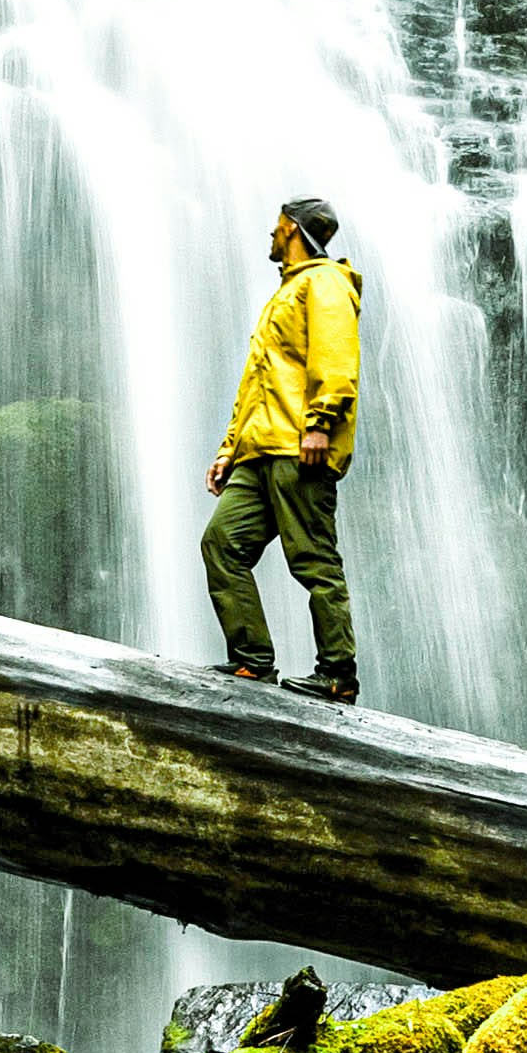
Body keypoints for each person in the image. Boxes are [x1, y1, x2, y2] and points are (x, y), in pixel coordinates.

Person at [202, 194, 365, 700]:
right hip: (258, 452)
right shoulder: (284, 293)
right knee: (222, 544)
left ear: (292, 228)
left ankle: (338, 674)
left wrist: (319, 424)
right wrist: (230, 449)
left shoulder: (325, 283)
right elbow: (257, 382)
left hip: (300, 449)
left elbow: (336, 358)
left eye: (275, 226)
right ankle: (252, 659)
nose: (269, 235)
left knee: (314, 561)